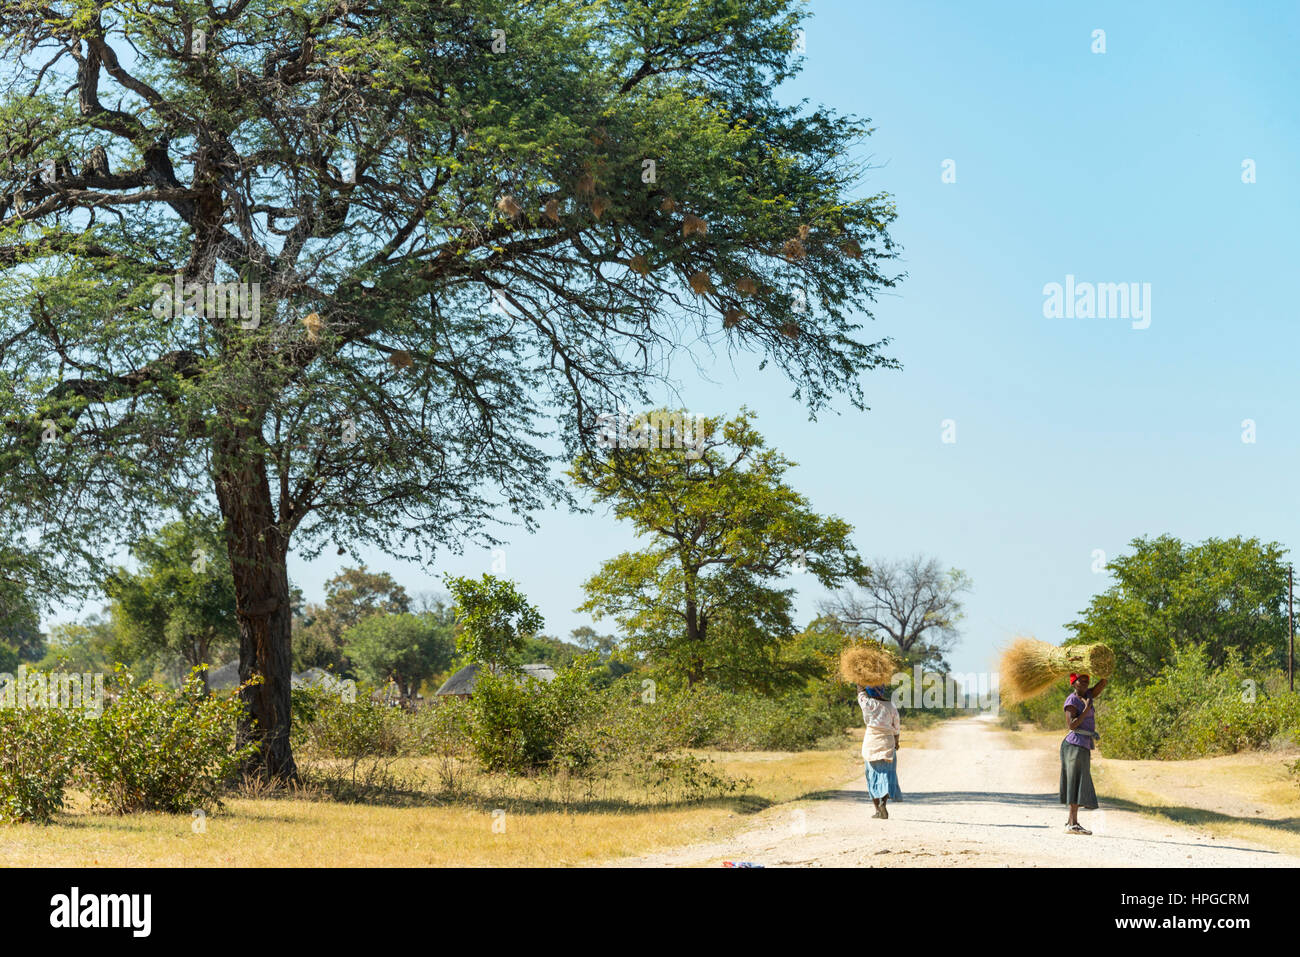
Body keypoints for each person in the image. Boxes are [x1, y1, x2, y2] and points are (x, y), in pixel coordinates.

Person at [1060, 671, 1107, 834]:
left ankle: (1071, 822)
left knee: (1079, 781)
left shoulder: (1088, 694)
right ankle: (1072, 823)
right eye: (1081, 681)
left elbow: (1101, 685)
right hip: (1073, 745)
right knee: (1075, 781)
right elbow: (1071, 725)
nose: (1086, 683)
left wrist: (1105, 671)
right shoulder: (1072, 700)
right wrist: (1087, 708)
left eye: (1087, 680)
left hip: (1083, 744)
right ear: (1073, 683)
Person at [857, 683, 902, 818]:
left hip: (871, 742)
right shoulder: (891, 706)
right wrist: (897, 742)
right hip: (887, 741)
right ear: (882, 691)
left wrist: (859, 678)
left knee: (872, 776)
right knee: (887, 774)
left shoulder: (867, 703)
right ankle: (884, 803)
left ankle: (877, 810)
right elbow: (897, 726)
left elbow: (860, 692)